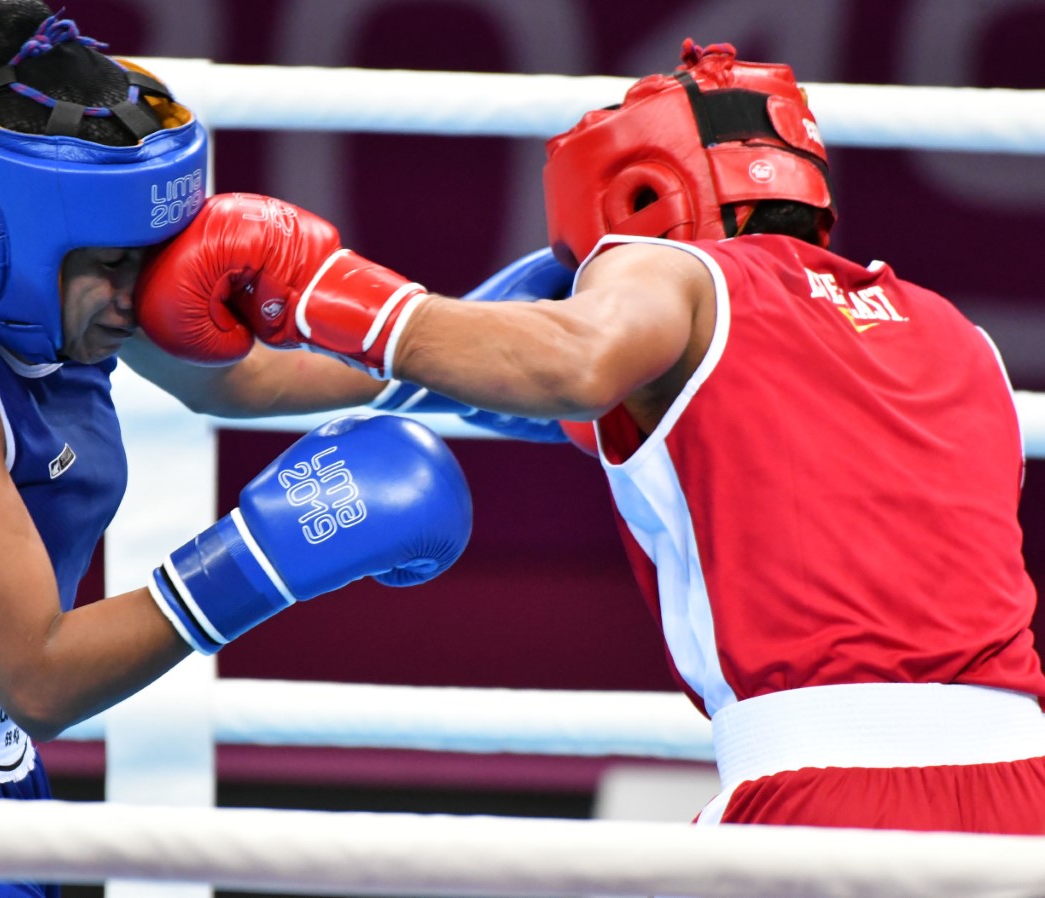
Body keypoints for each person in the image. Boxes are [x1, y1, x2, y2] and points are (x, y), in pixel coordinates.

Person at [133, 39, 1045, 835]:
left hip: (824, 801)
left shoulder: (665, 280)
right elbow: (296, 383)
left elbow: (572, 364)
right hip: (1023, 799)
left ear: (631, 195)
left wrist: (323, 285)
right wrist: (138, 309)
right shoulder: (952, 331)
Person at [0, 2, 473, 895]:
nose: (139, 301)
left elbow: (234, 379)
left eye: (151, 258)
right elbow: (41, 676)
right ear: (3, 240)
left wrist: (450, 356)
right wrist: (258, 558)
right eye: (114, 264)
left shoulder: (68, 291)